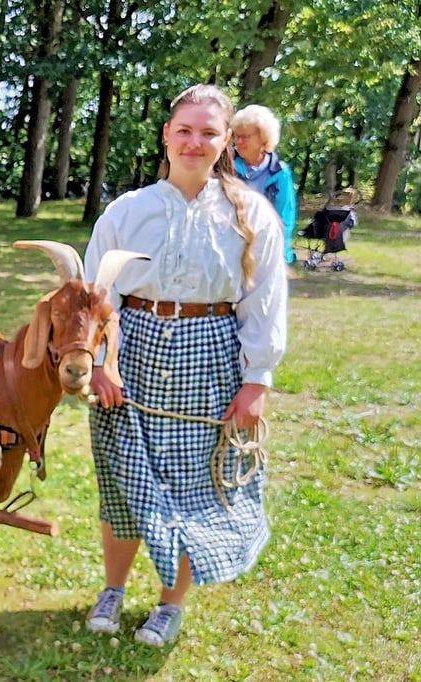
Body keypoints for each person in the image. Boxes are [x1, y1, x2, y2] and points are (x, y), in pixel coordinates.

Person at [82, 84, 287, 648]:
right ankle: (114, 589)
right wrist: (102, 362)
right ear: (167, 136)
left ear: (225, 143)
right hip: (133, 354)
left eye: (209, 133)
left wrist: (256, 381)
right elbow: (98, 297)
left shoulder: (252, 215)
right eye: (185, 130)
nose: (195, 142)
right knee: (122, 480)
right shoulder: (127, 211)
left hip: (211, 356)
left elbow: (264, 301)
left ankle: (170, 603)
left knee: (196, 485)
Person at [231, 104, 298, 266]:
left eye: (245, 137)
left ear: (263, 138)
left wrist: (280, 254)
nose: (238, 142)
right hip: (231, 250)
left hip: (267, 251)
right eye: (236, 136)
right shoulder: (226, 168)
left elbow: (285, 218)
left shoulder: (280, 172)